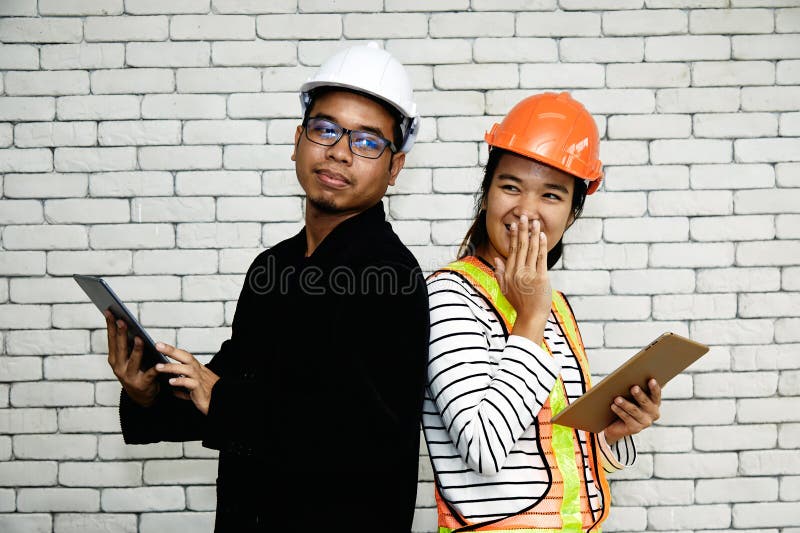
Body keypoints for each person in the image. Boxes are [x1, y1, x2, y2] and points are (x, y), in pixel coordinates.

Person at [105, 42, 430, 532]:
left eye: (367, 141)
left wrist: (223, 400)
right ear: (299, 140)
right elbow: (225, 388)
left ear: (394, 168)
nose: (339, 151)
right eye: (326, 130)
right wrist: (148, 394)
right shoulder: (272, 267)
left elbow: (368, 439)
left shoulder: (393, 277)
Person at [421, 92, 662, 532]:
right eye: (510, 186)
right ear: (486, 193)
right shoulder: (448, 296)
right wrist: (530, 319)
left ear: (572, 214)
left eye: (551, 195)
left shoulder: (557, 306)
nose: (526, 211)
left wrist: (611, 433)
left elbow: (551, 452)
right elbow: (483, 448)